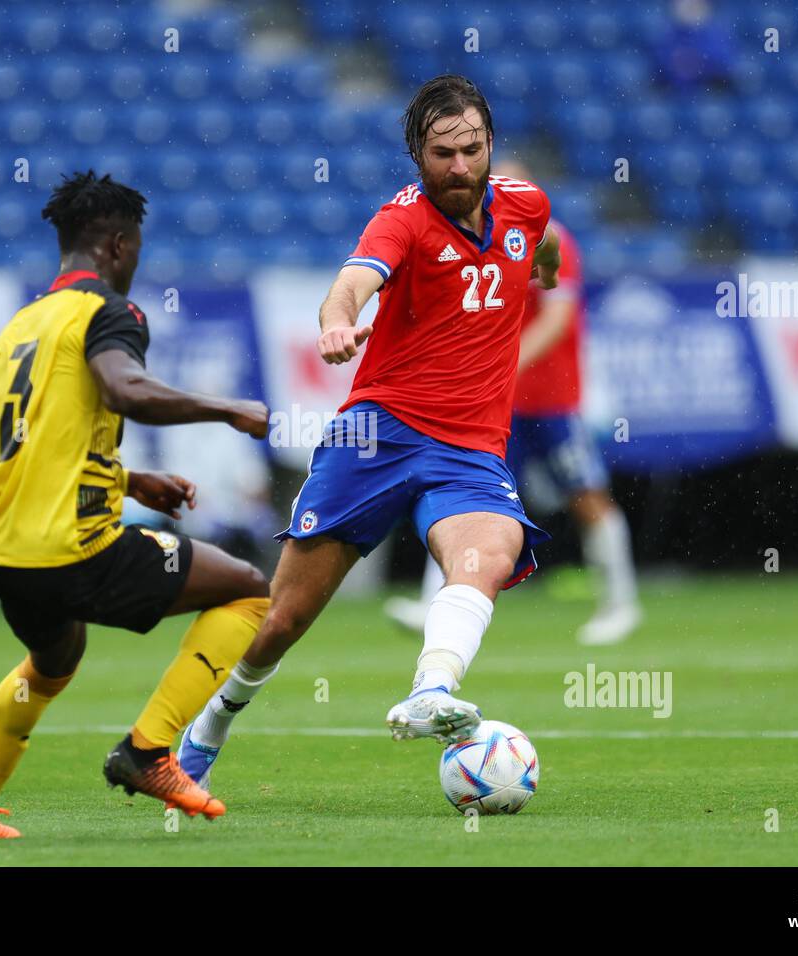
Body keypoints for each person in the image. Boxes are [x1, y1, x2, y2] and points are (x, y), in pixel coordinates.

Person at [176, 74, 560, 787]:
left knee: (493, 547)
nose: (459, 167)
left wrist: (547, 268)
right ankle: (212, 723)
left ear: (489, 147)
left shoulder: (526, 207)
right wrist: (333, 324)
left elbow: (543, 245)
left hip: (470, 446)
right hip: (377, 435)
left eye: (472, 150)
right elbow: (351, 283)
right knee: (284, 618)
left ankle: (432, 688)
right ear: (417, 154)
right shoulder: (404, 220)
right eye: (442, 153)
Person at [0, 171, 270, 839]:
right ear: (116, 245)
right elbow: (125, 390)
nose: (136, 262)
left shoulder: (23, 325)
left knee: (53, 662)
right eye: (135, 248)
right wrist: (226, 409)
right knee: (249, 590)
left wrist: (130, 480)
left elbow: (29, 440)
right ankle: (147, 751)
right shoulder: (109, 312)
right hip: (71, 549)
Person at [386, 163, 641, 646]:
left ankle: (620, 603)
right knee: (459, 494)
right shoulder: (473, 240)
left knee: (586, 496)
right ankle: (434, 603)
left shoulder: (552, 239)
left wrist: (504, 361)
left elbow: (559, 317)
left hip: (551, 398)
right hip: (495, 404)